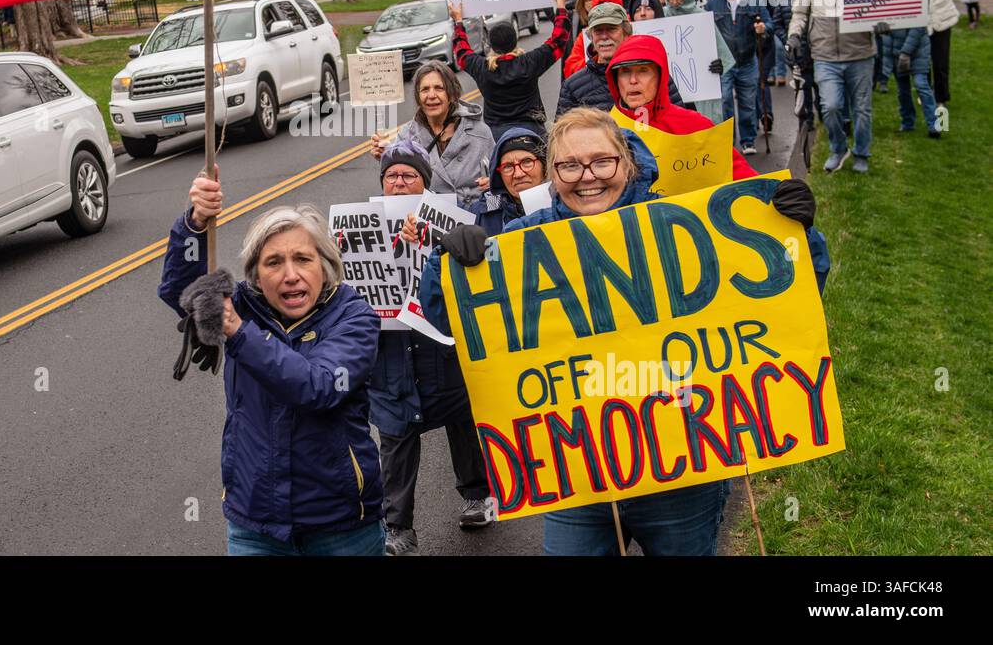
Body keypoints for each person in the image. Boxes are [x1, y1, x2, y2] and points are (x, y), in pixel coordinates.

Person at [417, 108, 829, 556]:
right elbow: (445, 322)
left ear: (627, 162)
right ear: (552, 174)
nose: (586, 176)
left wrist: (800, 234)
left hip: (683, 470)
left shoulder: (677, 225)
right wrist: (448, 267)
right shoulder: (521, 242)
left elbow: (779, 300)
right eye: (569, 165)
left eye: (602, 161)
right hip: (576, 476)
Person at [159, 168, 384, 556]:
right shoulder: (243, 306)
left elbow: (319, 387)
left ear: (326, 265)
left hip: (342, 526)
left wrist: (237, 331)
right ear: (255, 276)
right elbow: (182, 290)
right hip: (254, 524)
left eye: (303, 259)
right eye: (274, 262)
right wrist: (194, 223)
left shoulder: (356, 317)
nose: (291, 275)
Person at [371, 142, 491, 556]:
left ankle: (478, 496)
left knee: (462, 422)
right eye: (392, 177)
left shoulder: (451, 224)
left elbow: (478, 264)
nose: (399, 182)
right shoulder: (357, 228)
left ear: (426, 186)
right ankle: (397, 528)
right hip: (391, 357)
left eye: (409, 176)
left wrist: (436, 239)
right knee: (396, 436)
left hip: (442, 350)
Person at [786, 0, 877, 173]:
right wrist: (794, 35)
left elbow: (877, 13)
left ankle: (861, 153)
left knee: (862, 109)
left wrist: (883, 24)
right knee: (831, 106)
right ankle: (838, 148)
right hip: (825, 56)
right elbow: (800, 13)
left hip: (860, 55)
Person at [606, 34, 754, 178]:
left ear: (660, 76)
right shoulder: (603, 130)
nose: (632, 80)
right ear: (616, 78)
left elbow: (738, 173)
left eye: (643, 71)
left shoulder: (694, 125)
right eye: (625, 72)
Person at [370, 59, 493, 208]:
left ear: (452, 94)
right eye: (425, 89)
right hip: (427, 223)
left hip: (473, 221)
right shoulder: (406, 136)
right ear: (418, 97)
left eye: (439, 88)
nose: (431, 95)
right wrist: (386, 155)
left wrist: (493, 184)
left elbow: (500, 181)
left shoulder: (480, 133)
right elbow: (397, 187)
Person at [448, 0, 571, 138]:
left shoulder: (481, 68)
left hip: (497, 134)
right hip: (532, 131)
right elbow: (559, 40)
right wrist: (560, 5)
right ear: (515, 41)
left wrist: (458, 21)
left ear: (491, 44)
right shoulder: (529, 63)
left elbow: (461, 51)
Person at [557, 0, 684, 115]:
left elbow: (679, 122)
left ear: (626, 33)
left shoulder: (654, 73)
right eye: (598, 31)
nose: (604, 37)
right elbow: (562, 136)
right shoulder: (572, 87)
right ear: (591, 37)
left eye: (611, 29)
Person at [706, 0, 771, 155]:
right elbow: (704, 29)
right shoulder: (713, 3)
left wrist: (763, 28)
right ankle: (728, 142)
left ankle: (748, 140)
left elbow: (769, 23)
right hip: (724, 63)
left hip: (748, 60)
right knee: (725, 100)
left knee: (747, 101)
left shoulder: (755, 1)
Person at [662, 0, 734, 125]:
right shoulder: (661, 16)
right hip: (673, 83)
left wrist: (719, 64)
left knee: (705, 121)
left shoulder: (701, 16)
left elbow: (718, 47)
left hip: (701, 82)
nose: (675, 2)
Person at [908, 0, 960, 110]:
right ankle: (926, 93)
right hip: (919, 24)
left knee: (940, 62)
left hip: (940, 22)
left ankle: (941, 98)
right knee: (923, 63)